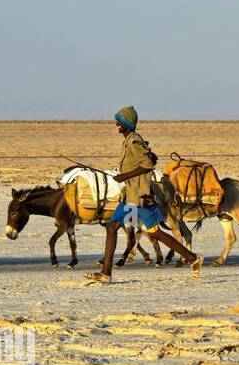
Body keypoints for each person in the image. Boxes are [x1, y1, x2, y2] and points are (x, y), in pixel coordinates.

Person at [85, 106, 202, 283]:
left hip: (139, 198)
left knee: (155, 233)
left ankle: (192, 258)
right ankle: (106, 274)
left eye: (119, 121)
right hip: (129, 197)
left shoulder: (134, 142)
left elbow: (147, 164)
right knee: (112, 227)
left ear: (126, 124)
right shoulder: (129, 140)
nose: (116, 123)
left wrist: (124, 175)